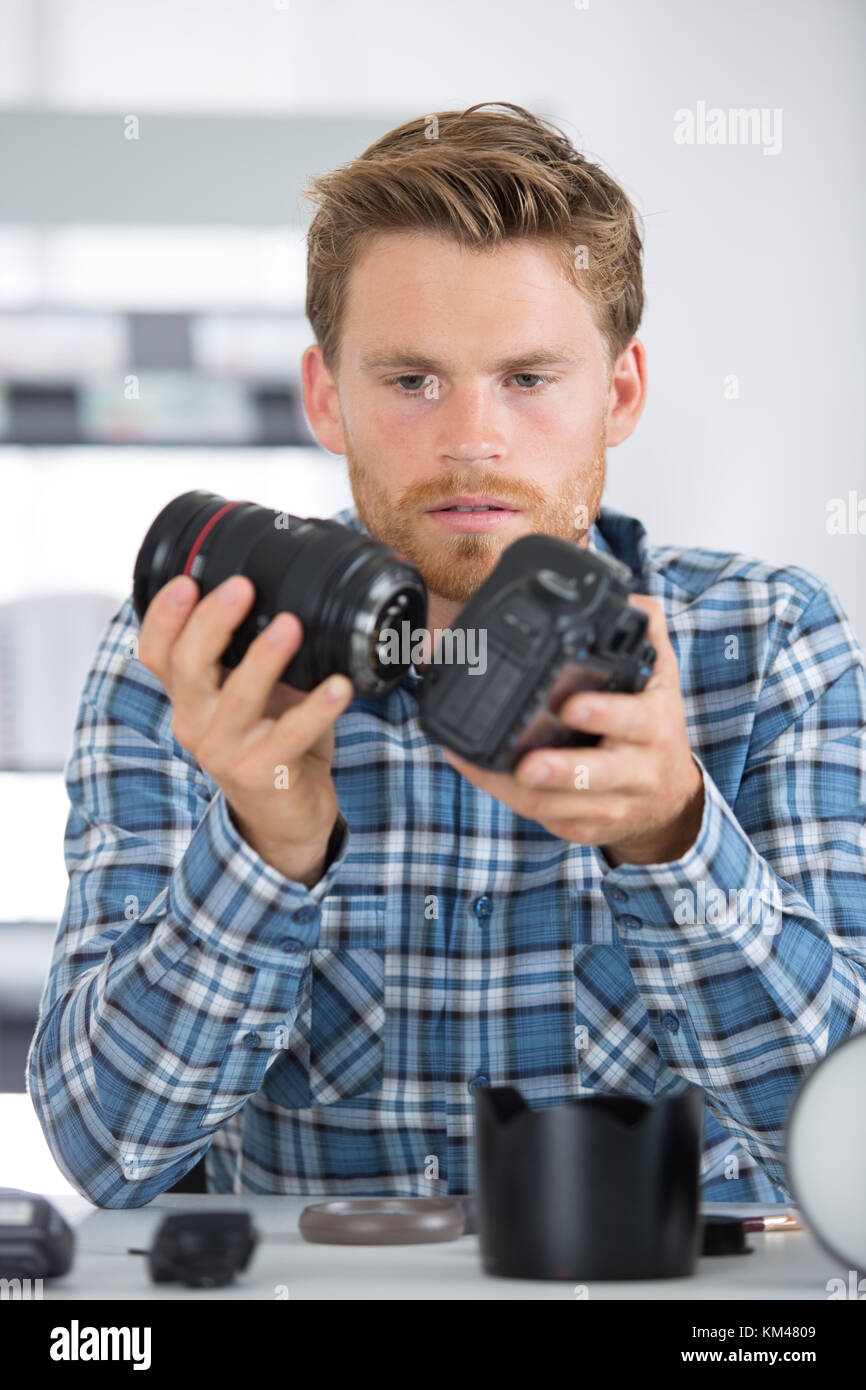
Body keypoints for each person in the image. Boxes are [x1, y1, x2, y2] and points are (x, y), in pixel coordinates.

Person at [28, 103, 866, 1208]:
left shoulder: (760, 642)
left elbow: (844, 1159)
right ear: (326, 397)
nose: (472, 437)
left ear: (617, 394)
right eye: (411, 380)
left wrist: (670, 835)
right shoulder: (190, 659)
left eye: (527, 378)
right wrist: (264, 846)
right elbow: (108, 1151)